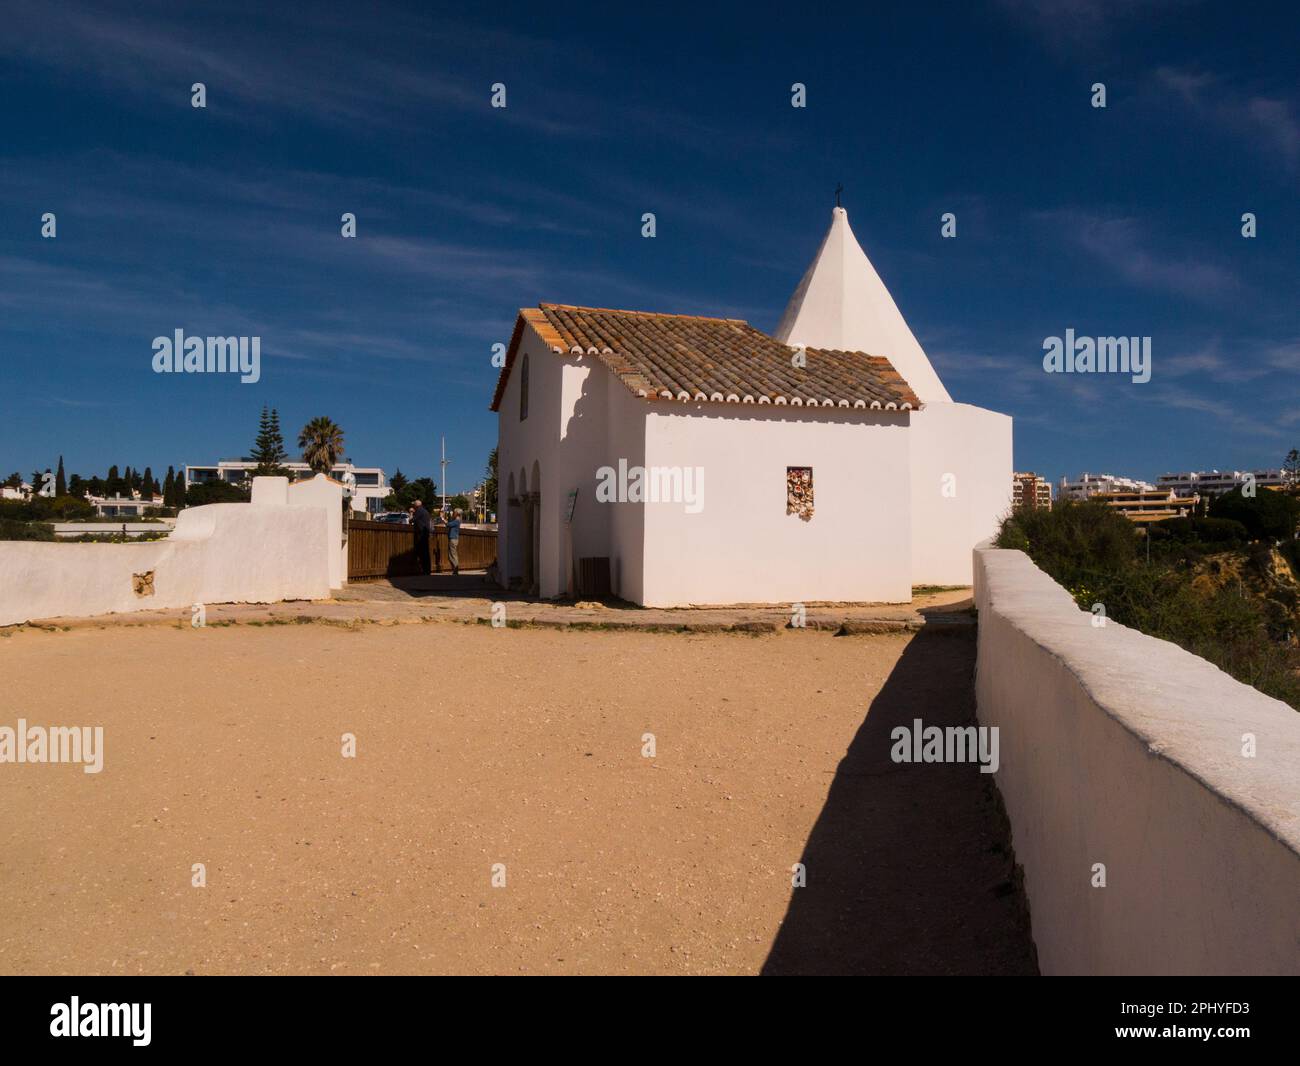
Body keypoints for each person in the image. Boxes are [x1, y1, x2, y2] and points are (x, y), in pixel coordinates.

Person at [411, 499, 432, 575]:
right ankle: (427, 570)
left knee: (422, 553)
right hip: (425, 533)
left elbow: (412, 520)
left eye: (414, 505)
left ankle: (424, 570)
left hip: (421, 534)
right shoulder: (425, 511)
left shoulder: (418, 511)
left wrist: (411, 513)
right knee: (425, 552)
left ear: (416, 505)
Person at [447, 508, 462, 575]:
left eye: (454, 512)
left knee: (453, 555)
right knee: (452, 554)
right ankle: (455, 569)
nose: (453, 513)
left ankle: (455, 569)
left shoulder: (456, 520)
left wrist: (443, 519)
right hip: (454, 538)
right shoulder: (457, 520)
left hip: (453, 539)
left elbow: (448, 524)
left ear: (457, 513)